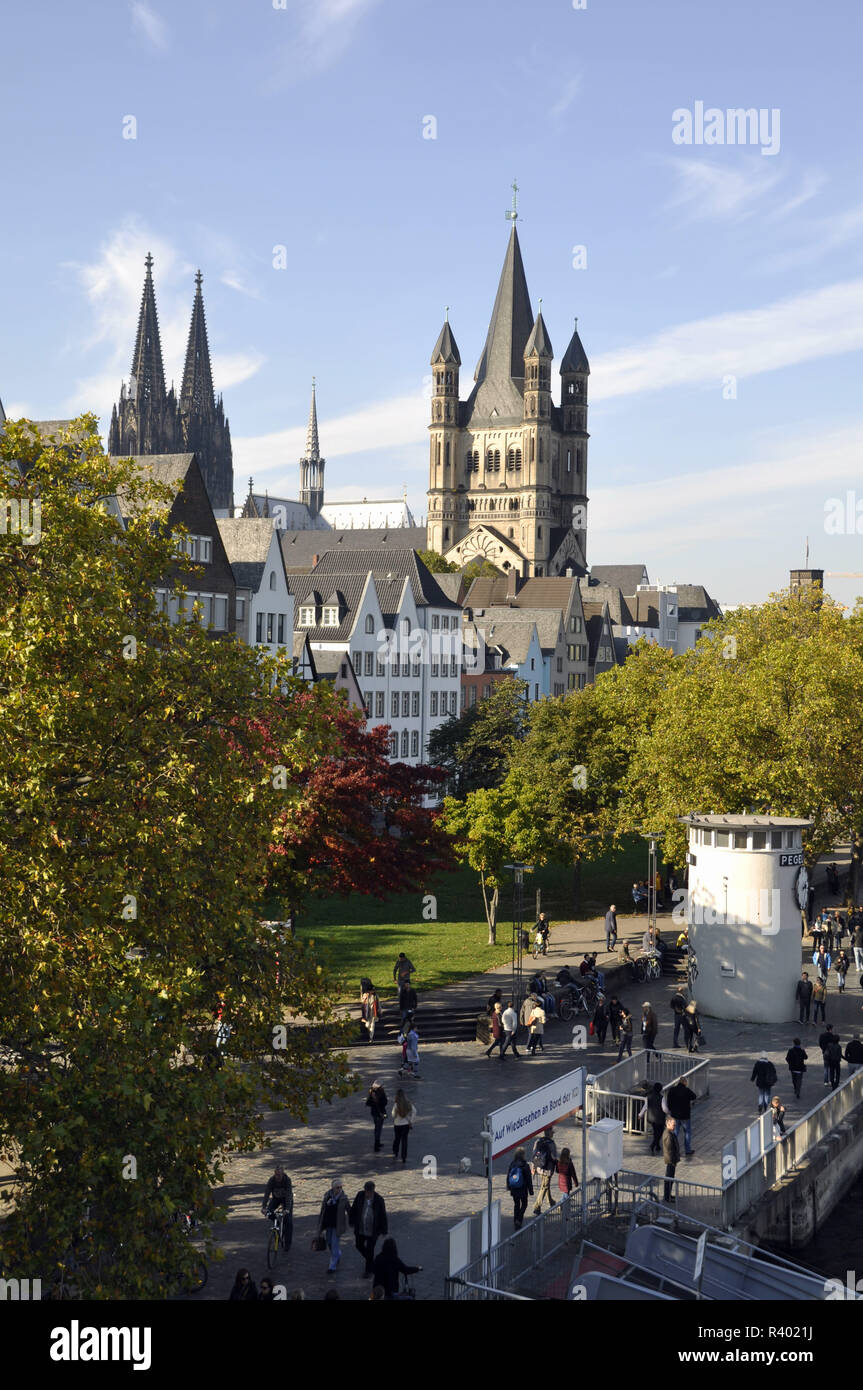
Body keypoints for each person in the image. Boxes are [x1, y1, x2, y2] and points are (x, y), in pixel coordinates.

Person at [350, 1180, 388, 1278]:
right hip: (361, 1228)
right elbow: (354, 1208)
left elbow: (383, 1215)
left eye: (369, 1192)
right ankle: (371, 1261)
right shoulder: (360, 1195)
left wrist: (384, 1230)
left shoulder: (379, 1200)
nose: (367, 1193)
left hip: (373, 1230)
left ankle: (368, 1270)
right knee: (359, 1245)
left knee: (370, 1249)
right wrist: (351, 1221)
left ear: (373, 1191)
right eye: (366, 1191)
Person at [317, 1179, 350, 1274]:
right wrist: (320, 1222)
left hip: (337, 1225)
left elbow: (349, 1209)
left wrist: (353, 1220)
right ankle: (338, 1255)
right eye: (337, 1187)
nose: (339, 1189)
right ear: (333, 1188)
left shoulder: (343, 1198)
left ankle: (332, 1266)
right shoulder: (327, 1196)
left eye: (341, 1187)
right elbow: (323, 1209)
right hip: (328, 1224)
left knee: (335, 1244)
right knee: (329, 1243)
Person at [665, 1075, 696, 1156]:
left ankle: (675, 1150)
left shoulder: (672, 1090)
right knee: (687, 1133)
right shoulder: (687, 1090)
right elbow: (694, 1096)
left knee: (675, 1133)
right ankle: (688, 1150)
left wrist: (671, 1110)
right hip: (685, 1116)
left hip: (675, 1115)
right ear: (685, 1082)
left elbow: (669, 1101)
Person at [531, 1127, 558, 1213]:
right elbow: (554, 1157)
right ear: (550, 1133)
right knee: (544, 1186)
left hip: (539, 1167)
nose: (553, 1134)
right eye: (552, 1132)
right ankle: (537, 1206)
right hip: (548, 1169)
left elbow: (534, 1154)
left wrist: (533, 1167)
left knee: (546, 1185)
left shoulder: (538, 1141)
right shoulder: (551, 1143)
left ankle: (551, 1201)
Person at [506, 1146, 534, 1228]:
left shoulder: (512, 1164)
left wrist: (509, 1186)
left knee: (516, 1204)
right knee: (524, 1204)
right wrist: (531, 1191)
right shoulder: (525, 1165)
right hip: (523, 1189)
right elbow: (529, 1179)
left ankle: (515, 1221)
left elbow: (508, 1176)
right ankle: (519, 1219)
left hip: (514, 1188)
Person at [639, 1081, 665, 1154]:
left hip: (651, 1118)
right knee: (660, 1132)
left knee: (656, 1131)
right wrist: (669, 1113)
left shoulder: (649, 1097)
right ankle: (653, 1145)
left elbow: (645, 1107)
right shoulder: (662, 1098)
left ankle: (657, 1145)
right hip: (660, 1118)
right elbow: (664, 1108)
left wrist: (640, 1115)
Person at [391, 1088, 415, 1162]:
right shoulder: (408, 1103)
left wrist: (395, 1117)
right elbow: (415, 1111)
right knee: (404, 1141)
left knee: (397, 1139)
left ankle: (395, 1151)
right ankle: (404, 1157)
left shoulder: (396, 1104)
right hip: (405, 1125)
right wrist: (411, 1120)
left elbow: (393, 1114)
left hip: (397, 1124)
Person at [366, 1081, 388, 1151]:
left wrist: (374, 1103)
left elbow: (367, 1103)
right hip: (380, 1112)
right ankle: (376, 1144)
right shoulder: (381, 1092)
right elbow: (385, 1102)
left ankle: (377, 1142)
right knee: (378, 1128)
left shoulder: (371, 1092)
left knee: (377, 1128)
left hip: (374, 1113)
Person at [662, 1117, 680, 1203]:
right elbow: (669, 1150)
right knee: (669, 1178)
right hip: (671, 1160)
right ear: (668, 1124)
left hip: (671, 1160)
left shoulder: (669, 1133)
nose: (675, 1126)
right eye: (673, 1125)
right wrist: (673, 1161)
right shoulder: (668, 1135)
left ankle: (668, 1195)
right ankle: (667, 1196)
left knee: (670, 1178)